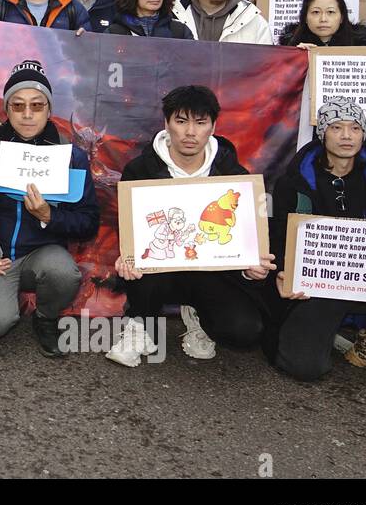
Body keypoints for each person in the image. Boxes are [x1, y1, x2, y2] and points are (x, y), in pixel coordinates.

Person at [106, 86, 273, 367]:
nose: (190, 132)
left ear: (213, 126)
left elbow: (245, 241)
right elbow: (132, 233)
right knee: (141, 262)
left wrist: (249, 268)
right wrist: (128, 256)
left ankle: (198, 317)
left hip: (211, 274)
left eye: (200, 122)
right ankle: (139, 324)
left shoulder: (234, 176)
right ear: (167, 123)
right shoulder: (140, 171)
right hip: (159, 271)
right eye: (181, 122)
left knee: (245, 331)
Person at [264, 99, 366, 383]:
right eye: (336, 127)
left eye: (354, 128)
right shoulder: (295, 181)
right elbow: (278, 235)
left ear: (364, 133)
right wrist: (283, 272)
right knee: (304, 368)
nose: (347, 136)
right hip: (320, 286)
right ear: (323, 133)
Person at [0, 60, 100, 356]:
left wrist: (49, 216)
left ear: (49, 109)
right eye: (18, 106)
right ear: (7, 109)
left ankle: (46, 316)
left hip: (43, 254)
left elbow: (89, 222)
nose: (27, 115)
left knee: (64, 273)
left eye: (37, 106)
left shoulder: (70, 156)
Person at [277, 0, 366, 47]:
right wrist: (296, 56)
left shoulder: (360, 44)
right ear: (305, 17)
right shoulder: (289, 44)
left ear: (342, 17)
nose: (323, 19)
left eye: (330, 12)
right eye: (316, 12)